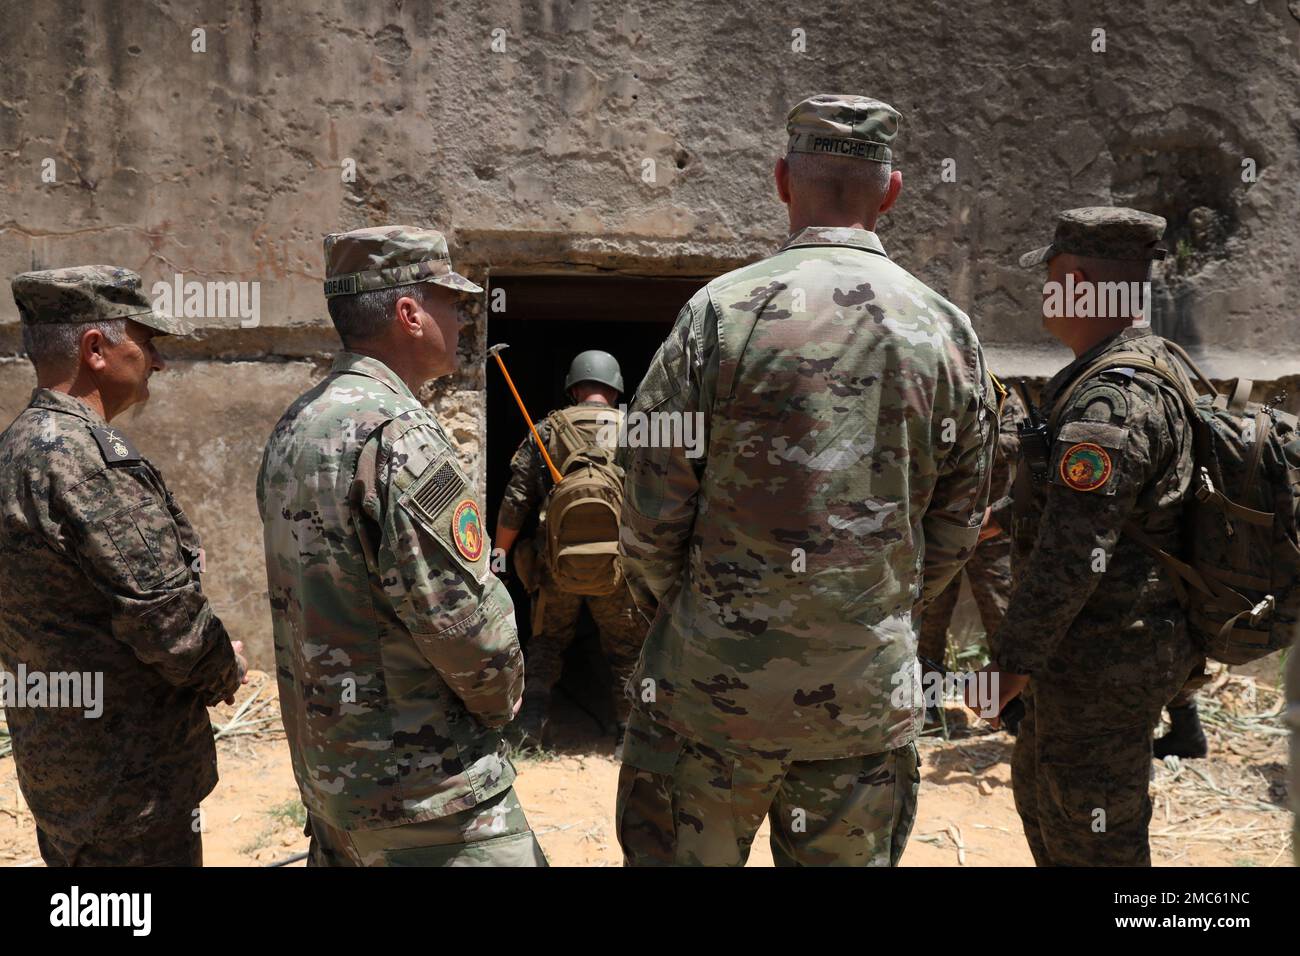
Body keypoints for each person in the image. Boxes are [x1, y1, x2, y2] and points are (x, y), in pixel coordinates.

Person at [615, 94, 997, 867]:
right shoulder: (947, 331)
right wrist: (872, 609)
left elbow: (650, 506)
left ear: (782, 179)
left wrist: (690, 611)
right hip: (861, 701)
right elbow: (960, 523)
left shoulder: (719, 313)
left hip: (710, 696)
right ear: (892, 190)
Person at [257, 226, 545, 866]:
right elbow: (472, 636)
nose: (464, 316)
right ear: (408, 314)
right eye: (450, 300)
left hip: (336, 785)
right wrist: (505, 702)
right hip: (430, 799)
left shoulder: (296, 425)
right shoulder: (400, 436)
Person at [973, 207, 1203, 866]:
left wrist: (1008, 667)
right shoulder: (1154, 365)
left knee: (1093, 840)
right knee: (1049, 810)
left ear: (1074, 280)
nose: (1045, 293)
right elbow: (1116, 511)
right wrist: (1002, 518)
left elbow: (1076, 554)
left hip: (1101, 665)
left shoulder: (1110, 401)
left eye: (1050, 278)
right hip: (1089, 659)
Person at [0, 265, 246, 866]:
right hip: (131, 784)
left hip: (61, 766)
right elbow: (167, 619)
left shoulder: (16, 447)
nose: (159, 362)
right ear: (96, 350)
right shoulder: (86, 462)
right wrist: (224, 669)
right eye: (149, 342)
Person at [494, 350, 647, 751]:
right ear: (614, 392)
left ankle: (530, 730)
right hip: (618, 566)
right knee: (627, 650)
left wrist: (498, 555)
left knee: (546, 644)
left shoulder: (546, 429)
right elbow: (659, 500)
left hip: (555, 566)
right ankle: (627, 735)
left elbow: (517, 499)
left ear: (575, 388)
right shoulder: (635, 430)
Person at [917, 382, 1025, 725]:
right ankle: (927, 704)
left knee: (1001, 615)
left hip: (989, 527)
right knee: (930, 621)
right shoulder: (940, 387)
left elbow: (1019, 441)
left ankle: (1001, 708)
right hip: (939, 525)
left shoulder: (1000, 392)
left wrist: (972, 438)